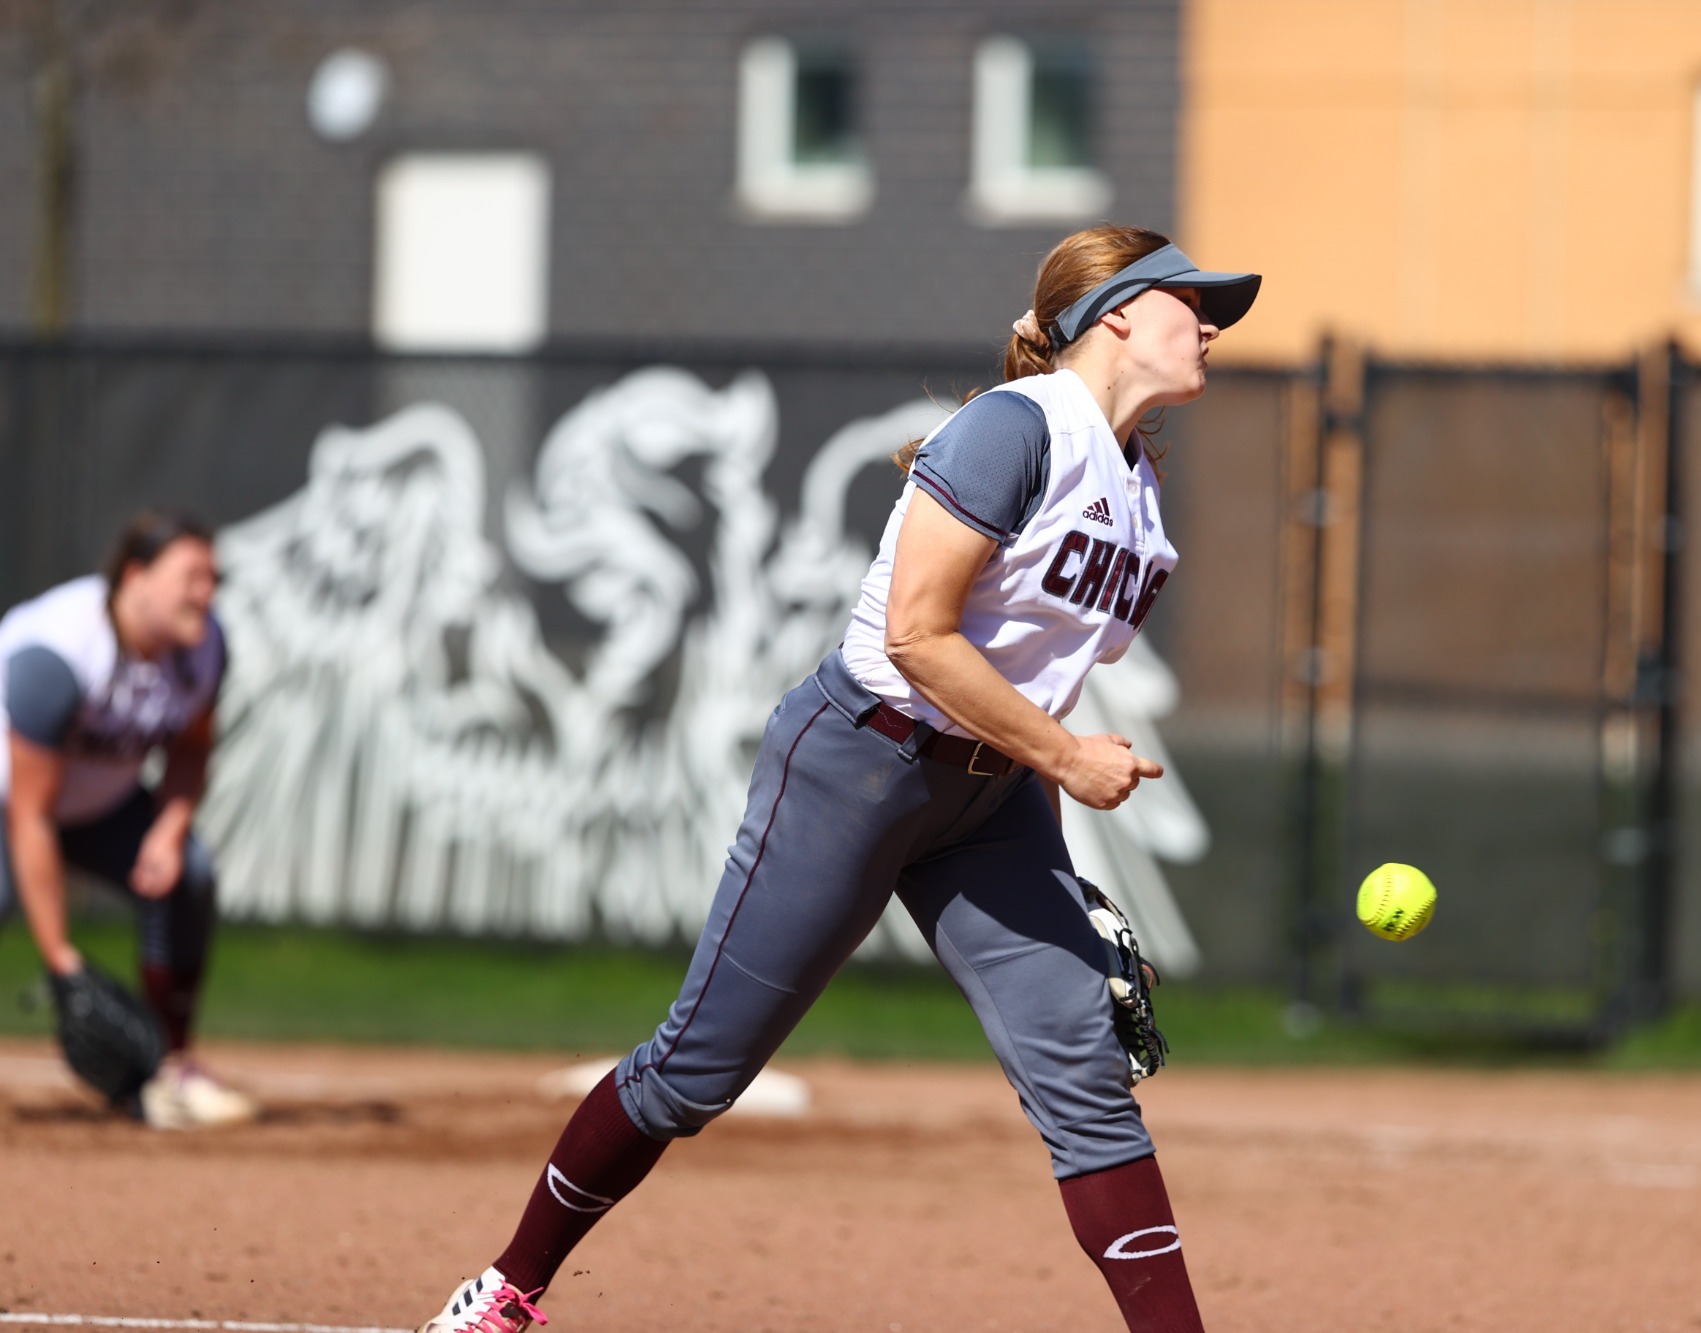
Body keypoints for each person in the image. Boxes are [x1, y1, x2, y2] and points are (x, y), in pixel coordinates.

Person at [414, 225, 1259, 1333]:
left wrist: (1054, 854)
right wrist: (1061, 759)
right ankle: (508, 1288)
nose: (1208, 326)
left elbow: (1033, 686)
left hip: (990, 800)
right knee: (691, 1074)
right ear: (1112, 315)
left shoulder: (1140, 499)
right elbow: (918, 637)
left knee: (1086, 1083)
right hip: (858, 763)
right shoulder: (1012, 431)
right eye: (1188, 303)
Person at [0, 508, 257, 1129]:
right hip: (12, 799)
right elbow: (31, 815)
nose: (207, 593)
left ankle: (173, 1066)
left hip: (96, 803)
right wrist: (61, 957)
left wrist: (167, 832)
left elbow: (192, 749)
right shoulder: (56, 655)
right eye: (191, 576)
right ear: (135, 577)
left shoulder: (203, 650)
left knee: (188, 872)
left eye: (213, 578)